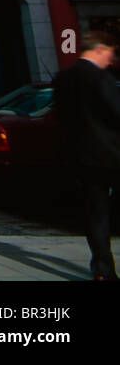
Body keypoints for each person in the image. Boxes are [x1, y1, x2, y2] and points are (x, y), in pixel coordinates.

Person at [52, 31, 120, 281]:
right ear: (100, 49)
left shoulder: (63, 78)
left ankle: (103, 270)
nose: (111, 61)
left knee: (96, 214)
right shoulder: (102, 78)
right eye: (110, 54)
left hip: (81, 156)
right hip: (111, 155)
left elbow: (61, 118)